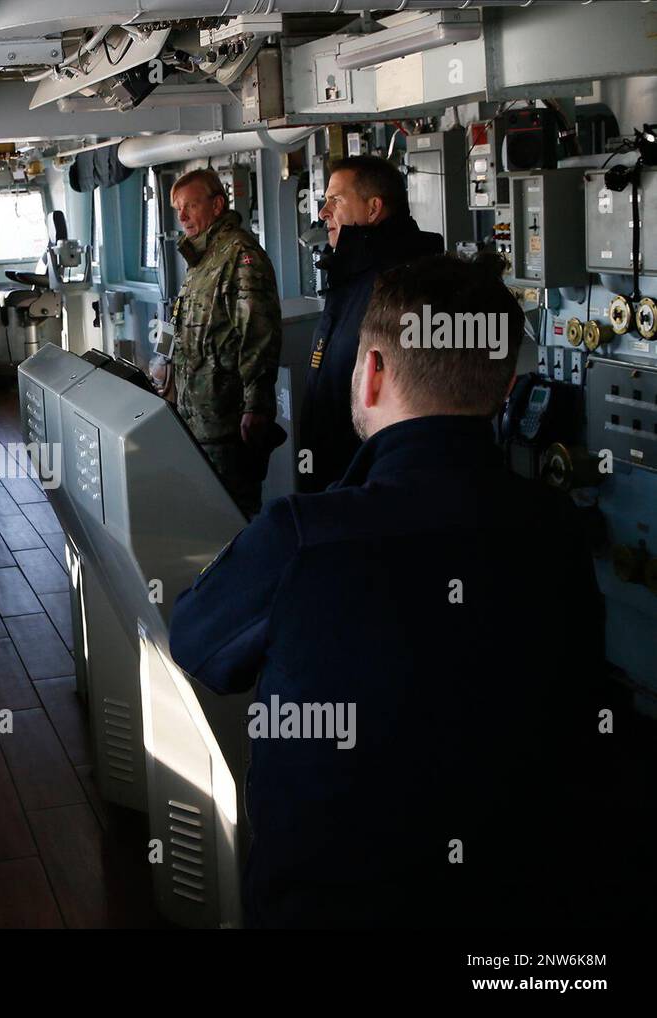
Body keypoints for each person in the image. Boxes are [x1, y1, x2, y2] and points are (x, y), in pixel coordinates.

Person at [169, 255, 634, 928]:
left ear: (374, 373)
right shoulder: (555, 526)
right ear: (506, 386)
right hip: (521, 898)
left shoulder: (301, 537)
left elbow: (196, 642)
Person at [299, 155, 444, 493]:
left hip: (373, 486)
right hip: (339, 480)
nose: (323, 212)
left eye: (335, 200)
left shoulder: (401, 282)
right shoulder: (352, 273)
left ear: (373, 208)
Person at [165, 168, 283, 519]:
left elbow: (258, 335)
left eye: (190, 206)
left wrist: (256, 407)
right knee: (208, 518)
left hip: (227, 421)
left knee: (233, 518)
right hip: (199, 418)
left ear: (217, 205)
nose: (183, 216)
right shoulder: (202, 259)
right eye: (178, 209)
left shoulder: (239, 255)